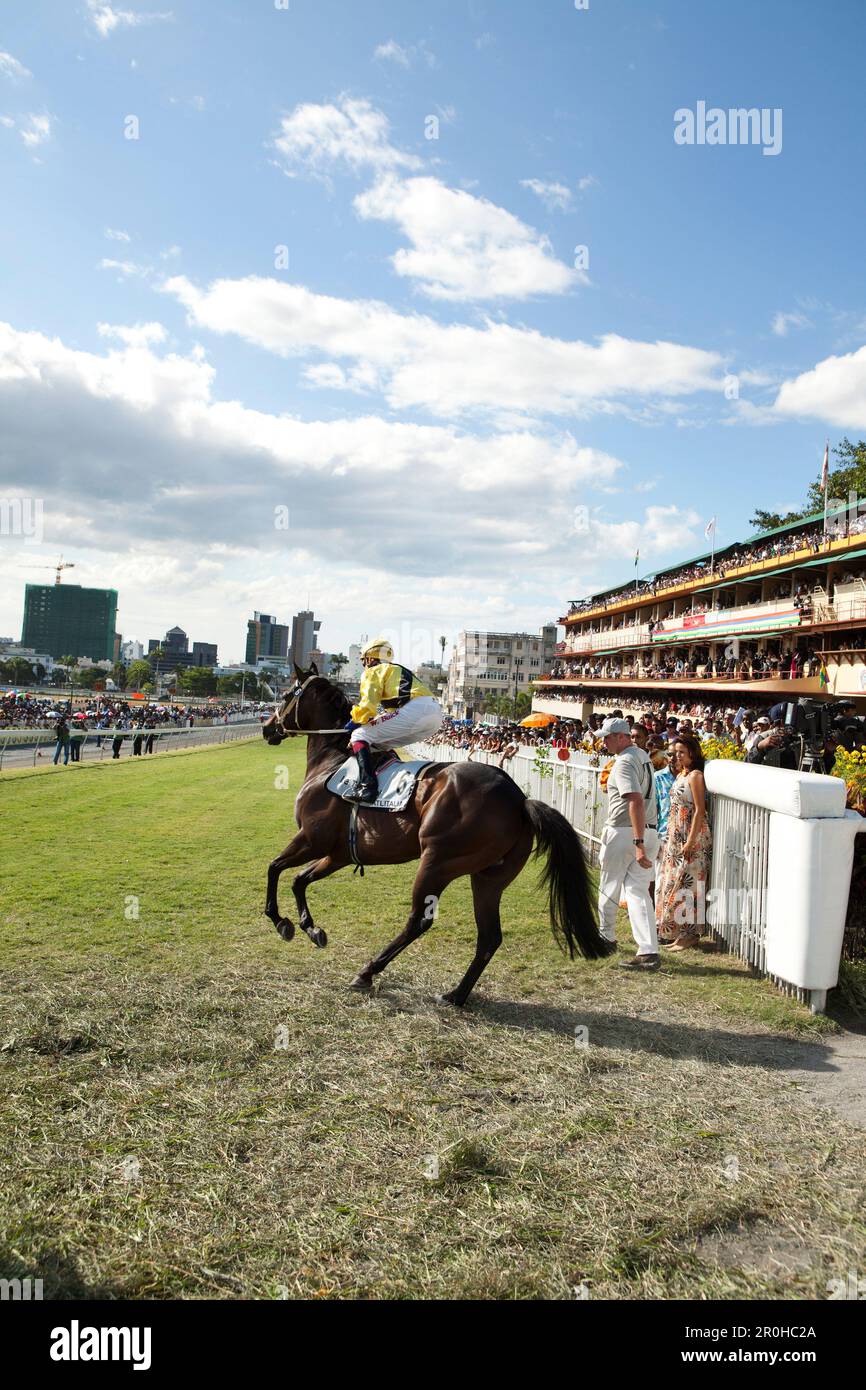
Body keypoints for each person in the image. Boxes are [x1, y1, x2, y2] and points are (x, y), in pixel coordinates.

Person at [344, 637, 444, 802]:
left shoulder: (373, 671)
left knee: (359, 736)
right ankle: (388, 780)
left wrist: (352, 723)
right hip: (434, 716)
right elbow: (388, 714)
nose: (364, 665)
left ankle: (367, 788)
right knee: (377, 743)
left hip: (416, 710)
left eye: (364, 661)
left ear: (370, 658)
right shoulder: (397, 669)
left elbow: (368, 706)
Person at [596, 717, 661, 972]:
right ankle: (648, 951)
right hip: (647, 831)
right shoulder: (642, 755)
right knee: (637, 892)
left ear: (622, 737)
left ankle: (606, 937)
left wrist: (638, 842)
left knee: (609, 887)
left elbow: (633, 799)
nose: (604, 741)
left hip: (626, 832)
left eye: (608, 737)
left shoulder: (623, 762)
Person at [655, 734, 712, 951]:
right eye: (675, 752)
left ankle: (689, 934)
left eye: (681, 752)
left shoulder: (695, 775)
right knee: (673, 882)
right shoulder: (681, 774)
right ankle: (679, 933)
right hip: (676, 834)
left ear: (692, 753)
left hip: (691, 834)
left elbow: (699, 810)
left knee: (688, 884)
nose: (677, 756)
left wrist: (689, 841)